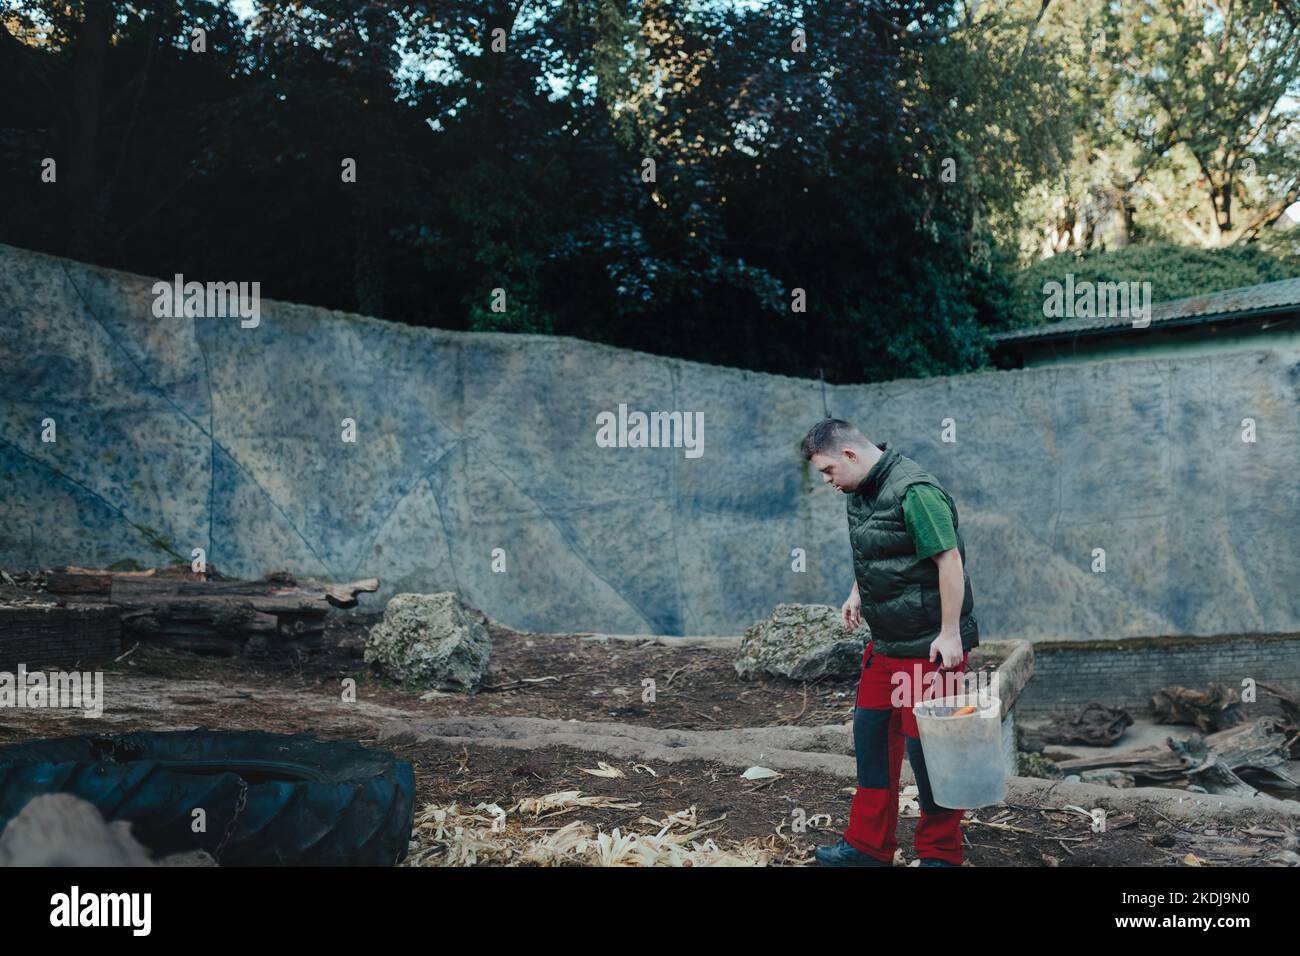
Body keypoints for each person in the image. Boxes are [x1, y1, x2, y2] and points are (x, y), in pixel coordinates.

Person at [800, 418, 980, 867]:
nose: (827, 482)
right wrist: (856, 593)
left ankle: (940, 854)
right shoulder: (859, 489)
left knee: (931, 755)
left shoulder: (916, 490)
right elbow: (879, 552)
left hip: (930, 649)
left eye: (827, 471)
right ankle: (867, 848)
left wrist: (951, 632)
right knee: (872, 742)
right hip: (884, 646)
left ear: (849, 456)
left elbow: (949, 561)